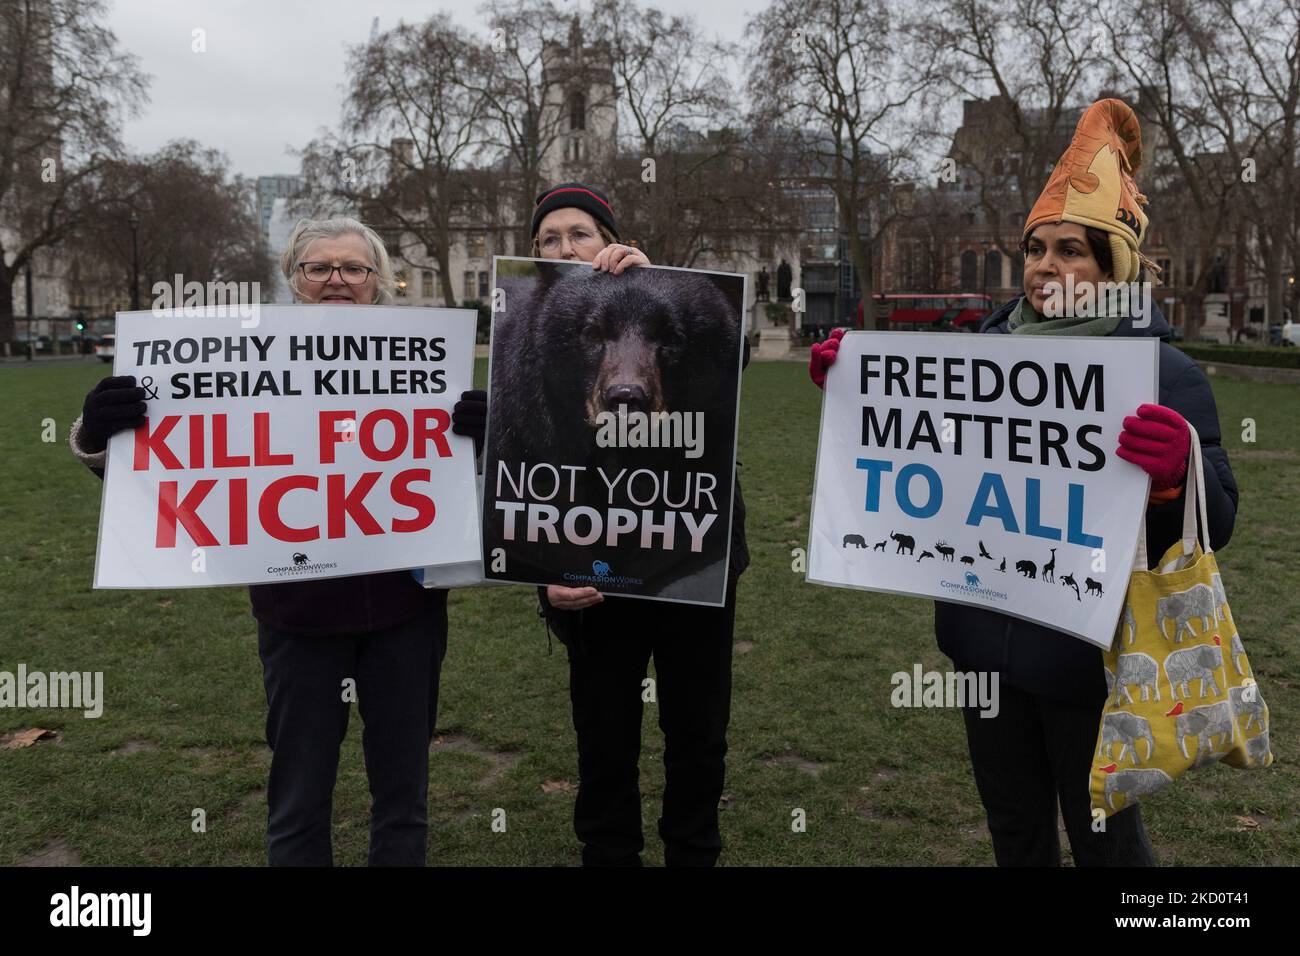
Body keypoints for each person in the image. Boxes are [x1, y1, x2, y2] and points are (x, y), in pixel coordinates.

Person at [809, 100, 1238, 866]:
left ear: (1113, 266)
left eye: (1071, 250)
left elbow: (1220, 520)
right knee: (1014, 833)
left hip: (1092, 663)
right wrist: (857, 393)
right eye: (1036, 249)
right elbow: (932, 457)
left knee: (1106, 843)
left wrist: (1180, 477)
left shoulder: (1165, 374)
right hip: (982, 652)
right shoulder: (983, 354)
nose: (1045, 266)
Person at [69, 216, 476, 866]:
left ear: (377, 281)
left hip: (408, 612)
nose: (337, 279)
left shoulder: (427, 359)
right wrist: (98, 433)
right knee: (297, 800)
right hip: (298, 618)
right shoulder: (243, 353)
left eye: (353, 268)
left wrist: (483, 438)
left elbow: (482, 483)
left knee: (404, 800)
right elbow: (169, 468)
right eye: (320, 268)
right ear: (294, 280)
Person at [453, 182, 749, 866]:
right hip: (586, 573)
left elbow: (722, 403)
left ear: (606, 235)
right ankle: (609, 851)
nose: (565, 248)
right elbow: (523, 471)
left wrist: (657, 280)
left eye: (579, 233)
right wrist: (541, 576)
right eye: (548, 240)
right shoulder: (527, 335)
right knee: (604, 729)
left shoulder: (679, 297)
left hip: (690, 565)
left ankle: (693, 848)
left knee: (697, 726)